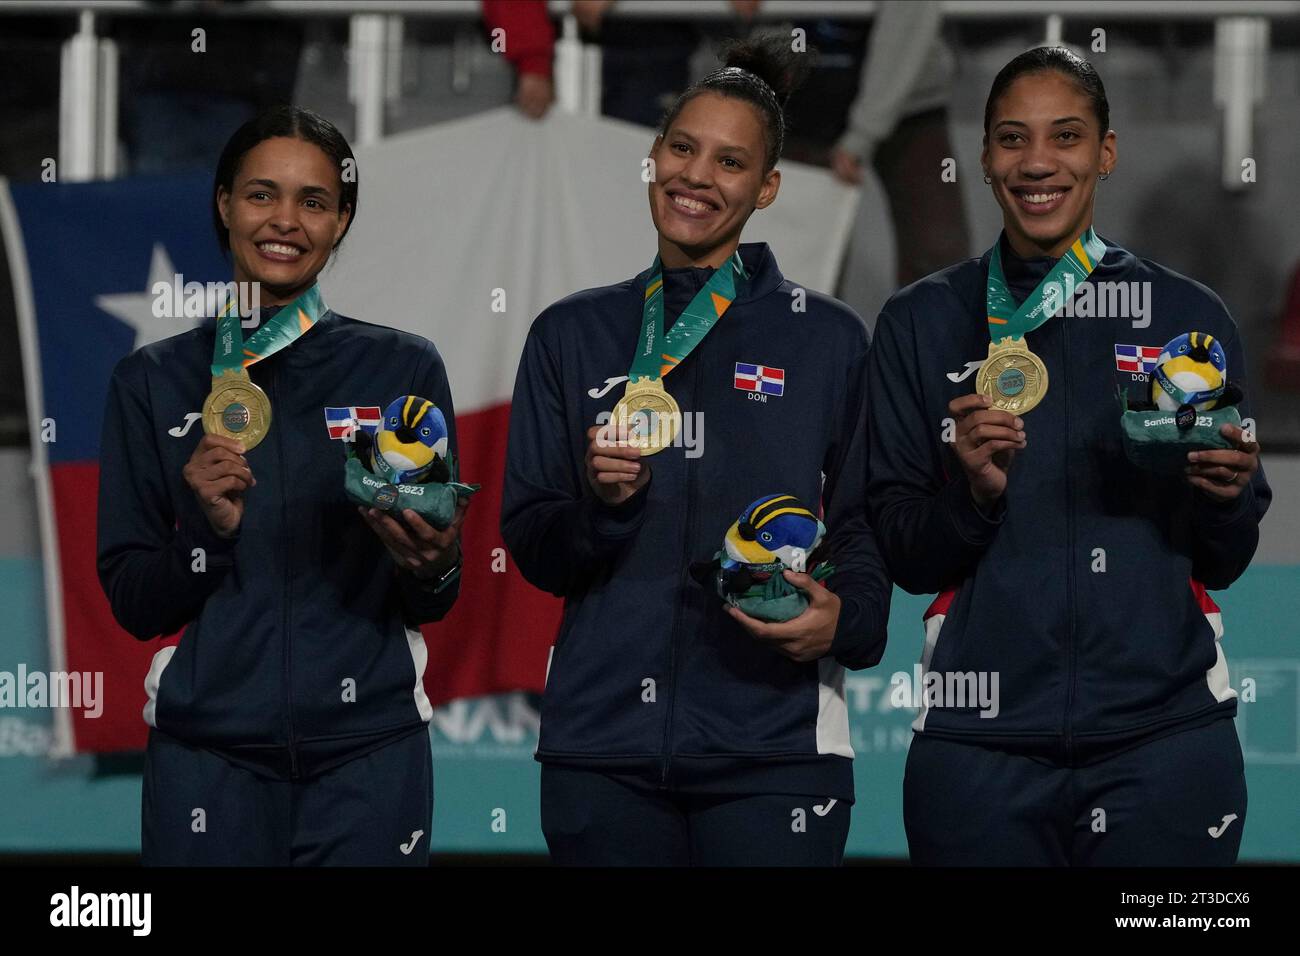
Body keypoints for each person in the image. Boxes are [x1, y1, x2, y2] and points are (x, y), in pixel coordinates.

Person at [866, 47, 1270, 866]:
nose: (1038, 162)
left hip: (1163, 742)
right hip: (978, 747)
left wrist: (1225, 498)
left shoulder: (1186, 316)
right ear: (983, 157)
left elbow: (1226, 558)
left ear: (1106, 153)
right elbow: (905, 551)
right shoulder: (921, 321)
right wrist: (971, 495)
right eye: (1012, 139)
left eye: (1066, 136)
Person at [501, 36, 892, 866]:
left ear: (767, 186)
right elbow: (533, 540)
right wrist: (602, 513)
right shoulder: (571, 334)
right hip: (603, 749)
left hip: (776, 750)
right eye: (682, 148)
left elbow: (863, 528)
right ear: (653, 158)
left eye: (729, 161)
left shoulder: (826, 339)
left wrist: (846, 623)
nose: (696, 176)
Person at [97, 106, 467, 866]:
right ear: (225, 205)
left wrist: (433, 562)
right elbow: (136, 601)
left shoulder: (402, 368)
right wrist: (206, 530)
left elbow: (432, 595)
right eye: (263, 195)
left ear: (342, 221)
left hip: (369, 754)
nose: (285, 221)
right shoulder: (151, 379)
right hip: (209, 759)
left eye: (314, 201)